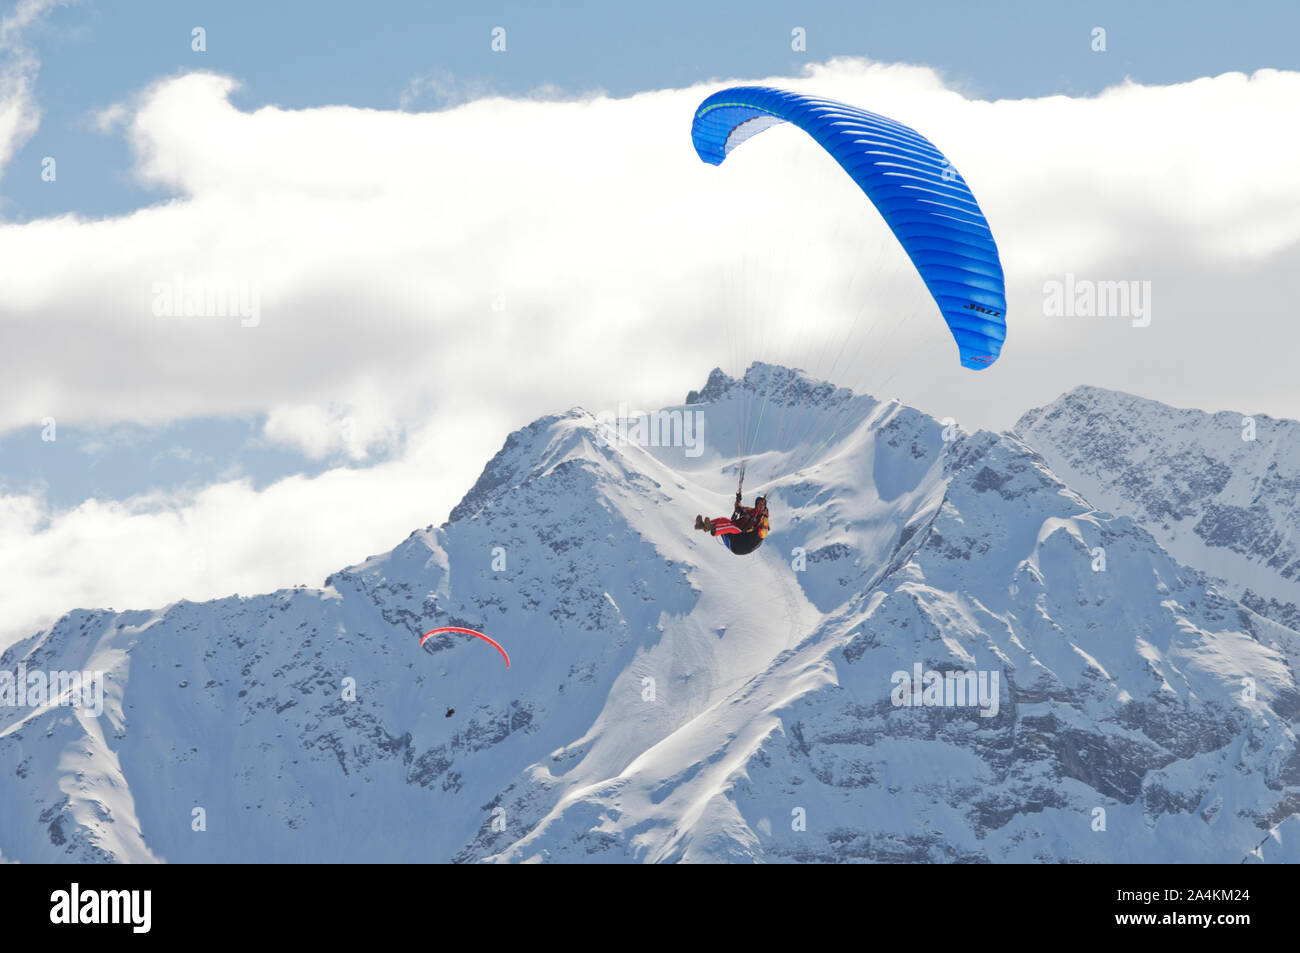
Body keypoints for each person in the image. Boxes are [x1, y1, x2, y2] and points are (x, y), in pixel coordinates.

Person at [694, 493, 770, 556]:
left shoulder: (764, 518)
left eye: (762, 504)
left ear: (765, 506)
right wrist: (738, 500)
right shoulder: (750, 510)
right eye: (759, 503)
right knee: (723, 519)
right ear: (756, 504)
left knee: (732, 528)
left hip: (742, 542)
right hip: (737, 533)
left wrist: (758, 524)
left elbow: (763, 533)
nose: (760, 505)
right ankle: (703, 525)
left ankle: (713, 528)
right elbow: (738, 507)